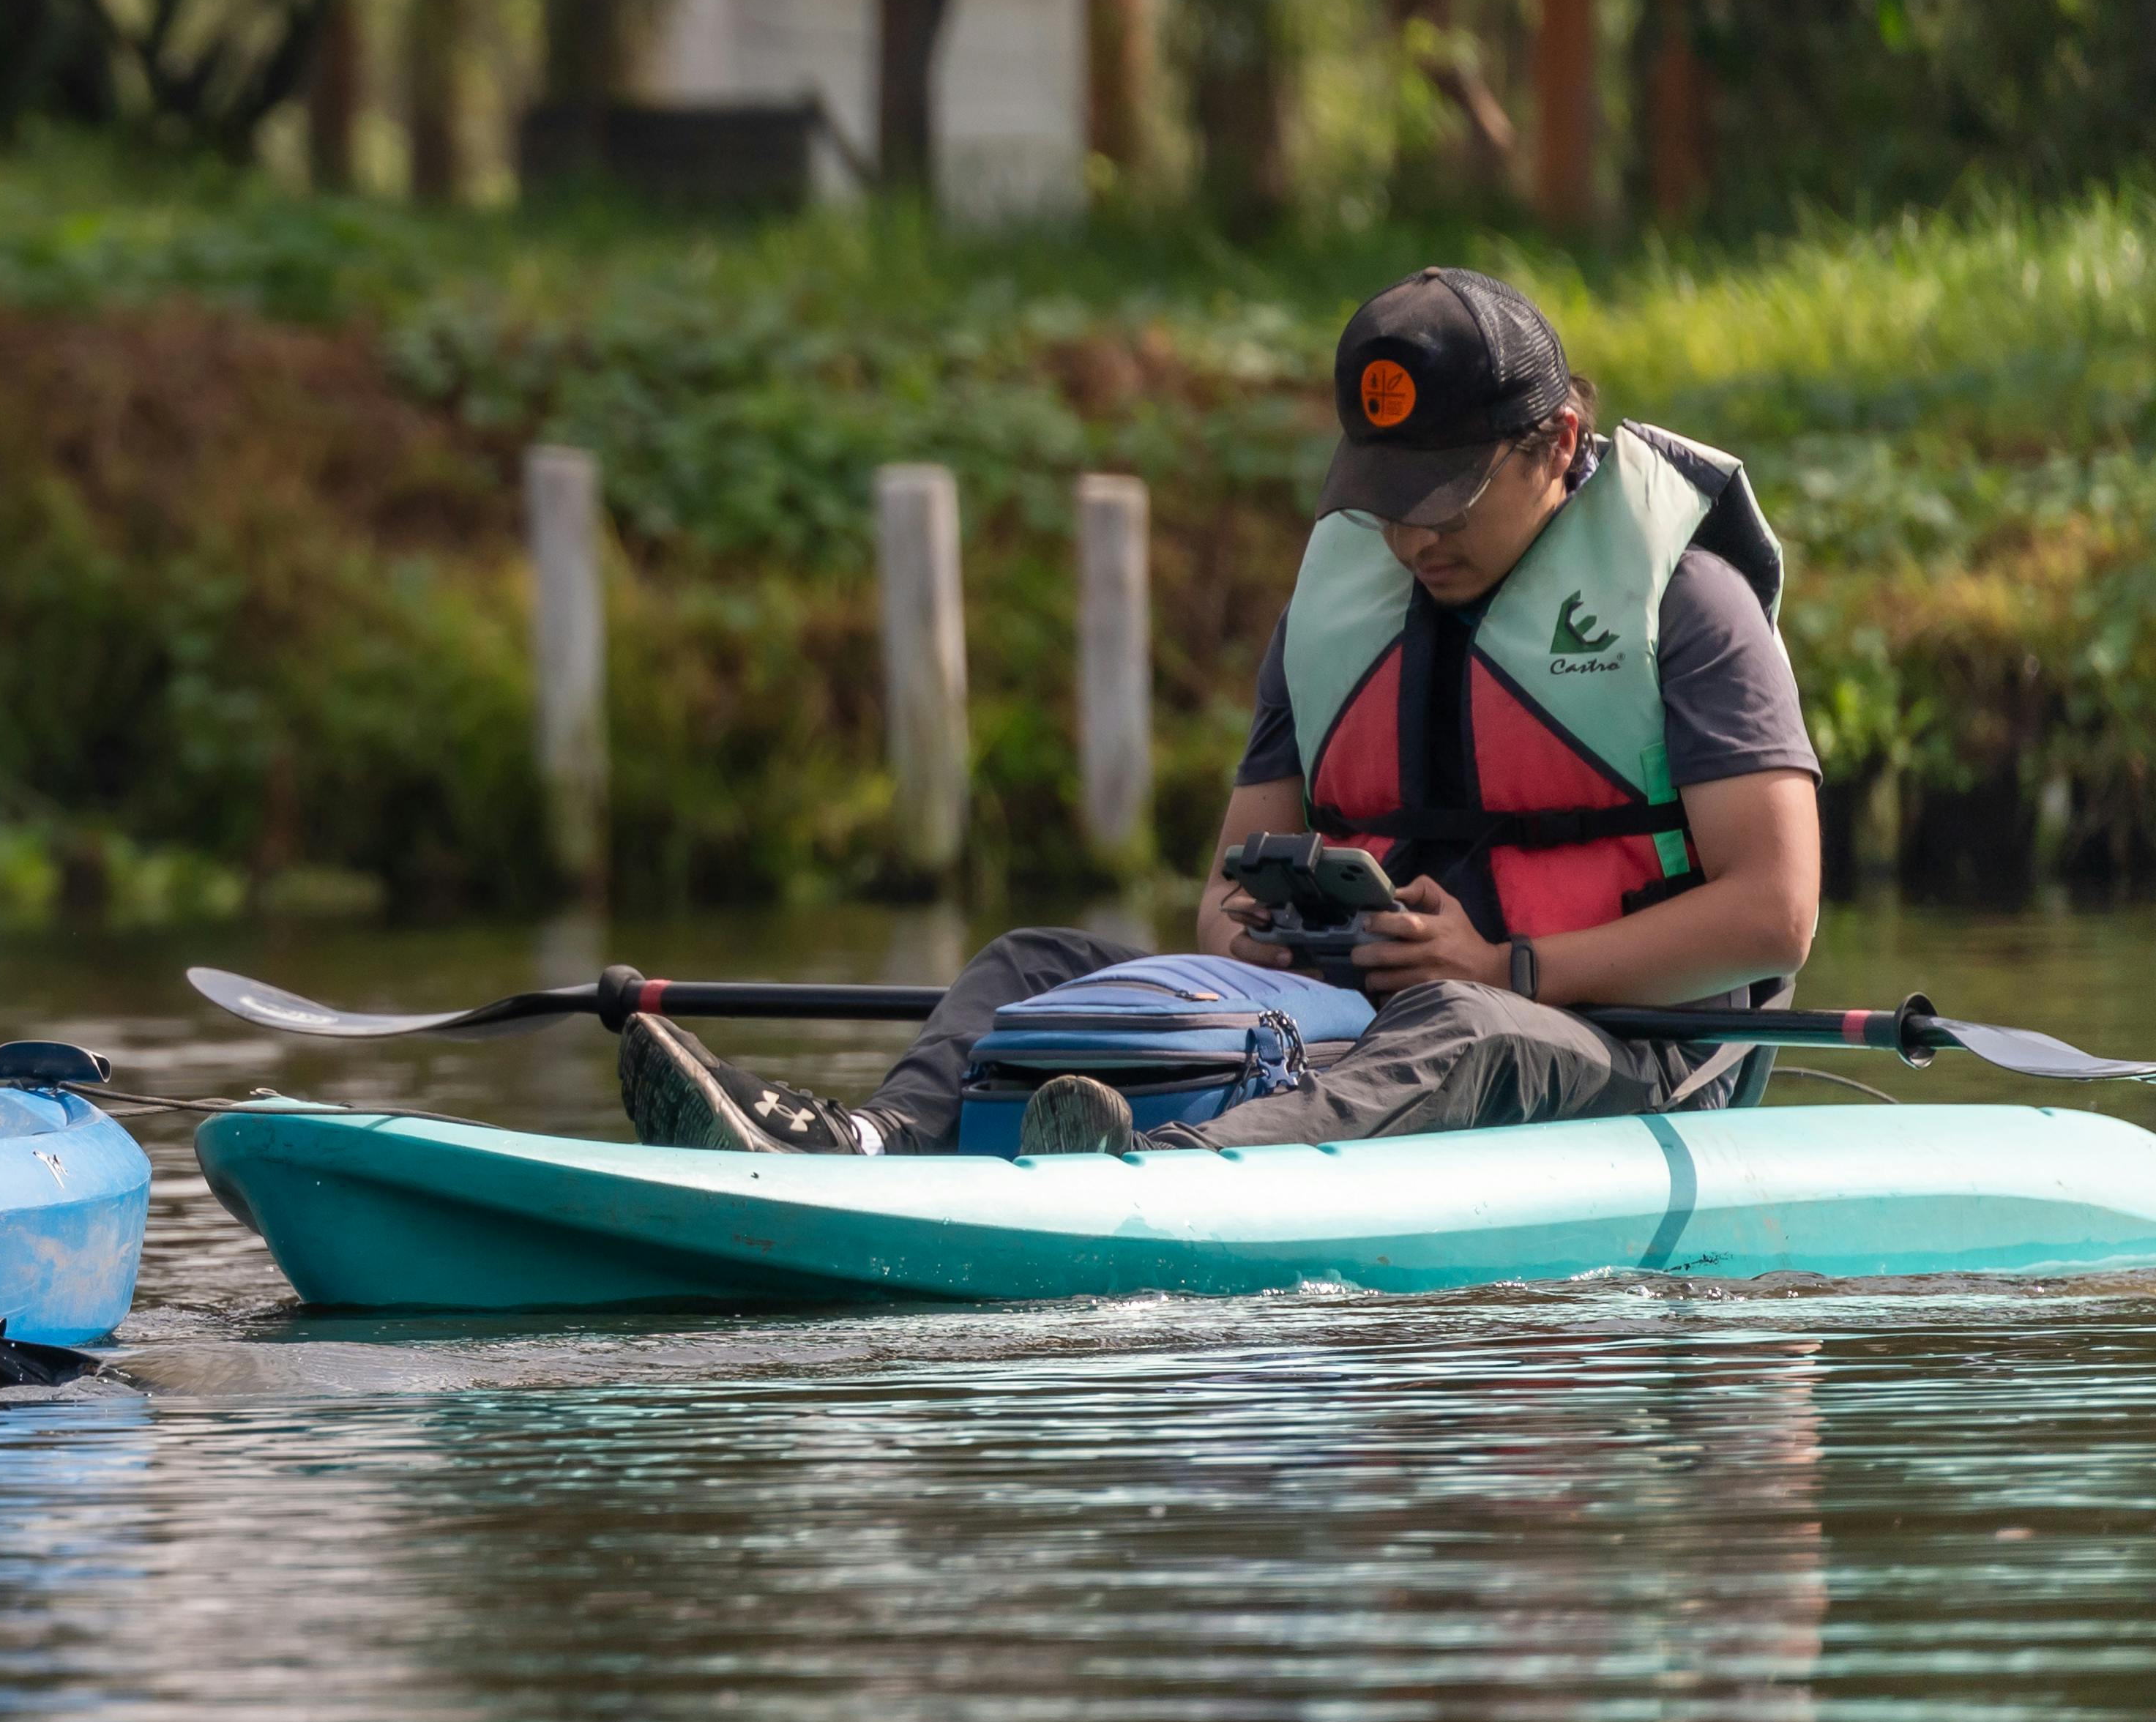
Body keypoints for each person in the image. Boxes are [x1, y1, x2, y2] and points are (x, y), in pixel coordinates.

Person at [621, 266, 1821, 1158]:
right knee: (1030, 961)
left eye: (1446, 501)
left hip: (1629, 1047)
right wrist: (1247, 935)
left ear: (1555, 440)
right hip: (1363, 1021)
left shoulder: (1689, 605)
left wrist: (1508, 962)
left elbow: (1775, 914)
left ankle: (1188, 1168)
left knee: (1463, 1017)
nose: (1410, 537)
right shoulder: (1342, 609)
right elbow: (1220, 892)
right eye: (1389, 498)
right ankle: (875, 1144)